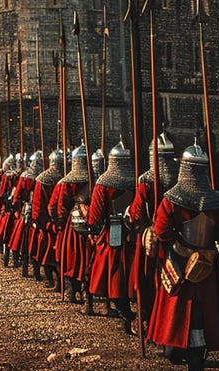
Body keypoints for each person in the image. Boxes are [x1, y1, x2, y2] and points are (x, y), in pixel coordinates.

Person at [147, 142, 219, 370]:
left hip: (180, 263)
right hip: (209, 265)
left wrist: (170, 241)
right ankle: (194, 353)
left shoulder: (172, 199)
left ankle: (178, 348)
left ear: (184, 168)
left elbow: (160, 231)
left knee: (178, 310)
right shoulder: (218, 201)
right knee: (205, 308)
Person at [128, 134, 178, 326]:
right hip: (179, 237)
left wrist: (136, 223)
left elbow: (137, 213)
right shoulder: (182, 178)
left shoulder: (146, 181)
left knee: (148, 279)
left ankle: (148, 316)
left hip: (154, 238)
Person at [87, 141, 136, 332]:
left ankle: (127, 315)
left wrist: (93, 228)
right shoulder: (137, 179)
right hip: (135, 234)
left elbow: (97, 214)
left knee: (115, 276)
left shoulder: (104, 183)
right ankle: (132, 315)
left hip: (114, 234)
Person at [51, 146, 93, 309]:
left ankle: (73, 292)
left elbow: (61, 205)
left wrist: (60, 225)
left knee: (73, 260)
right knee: (86, 260)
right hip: (87, 225)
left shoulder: (67, 183)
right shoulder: (93, 180)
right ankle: (83, 294)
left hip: (73, 225)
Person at [31, 150, 64, 290]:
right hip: (60, 223)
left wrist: (37, 220)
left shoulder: (42, 179)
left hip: (47, 222)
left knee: (47, 252)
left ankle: (54, 281)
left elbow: (38, 204)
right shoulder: (65, 178)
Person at [7, 152, 42, 276]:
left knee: (25, 242)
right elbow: (17, 195)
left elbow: (17, 195)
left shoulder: (28, 176)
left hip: (28, 210)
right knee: (27, 241)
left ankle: (28, 267)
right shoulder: (41, 177)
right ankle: (29, 268)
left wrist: (17, 208)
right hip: (31, 211)